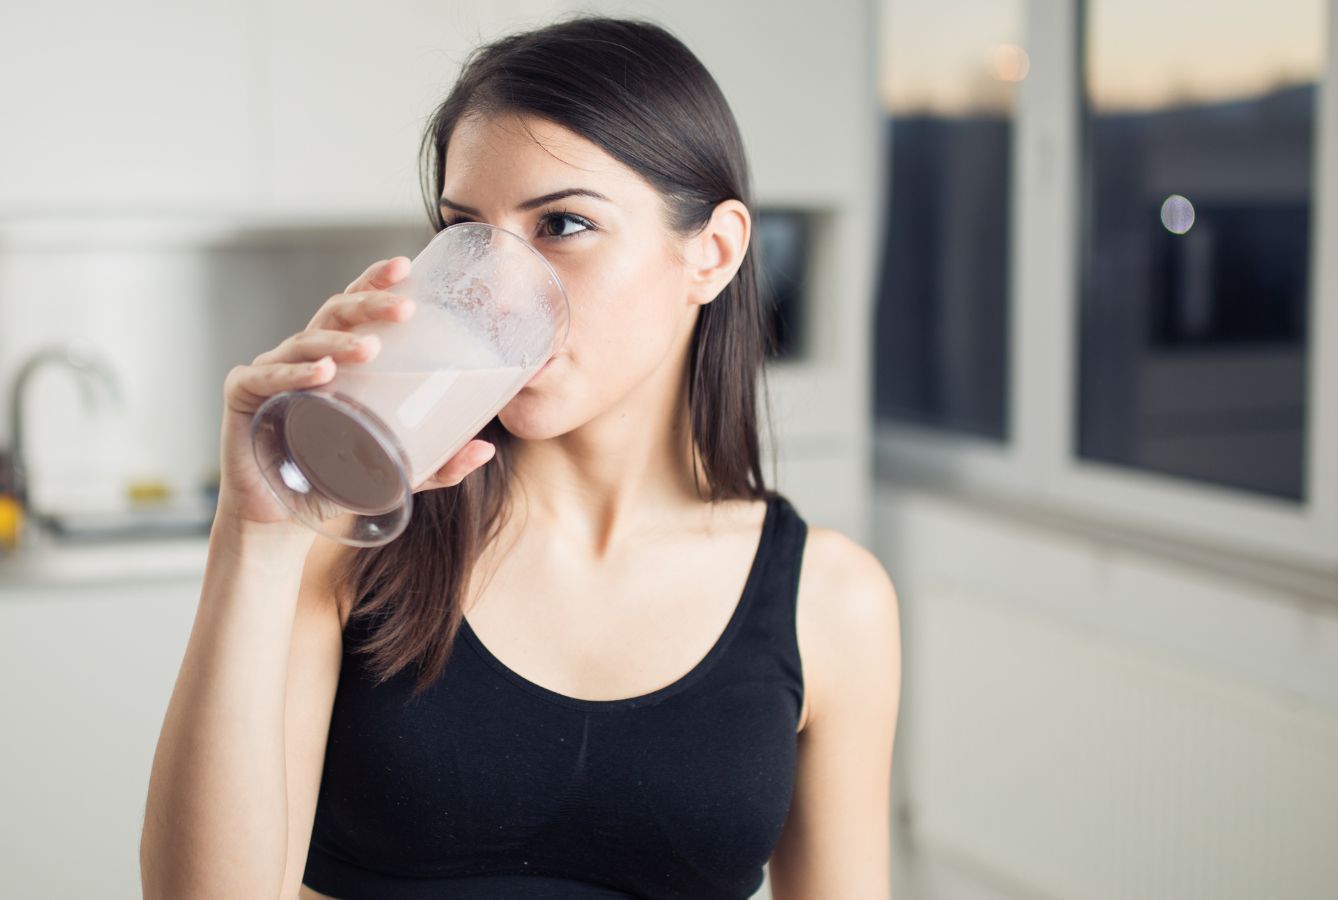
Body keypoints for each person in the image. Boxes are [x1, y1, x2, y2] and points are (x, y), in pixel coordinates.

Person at [141, 14, 900, 900]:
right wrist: (253, 539)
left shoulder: (831, 602)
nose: (499, 291)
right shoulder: (350, 544)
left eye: (563, 225)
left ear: (713, 252)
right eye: (470, 233)